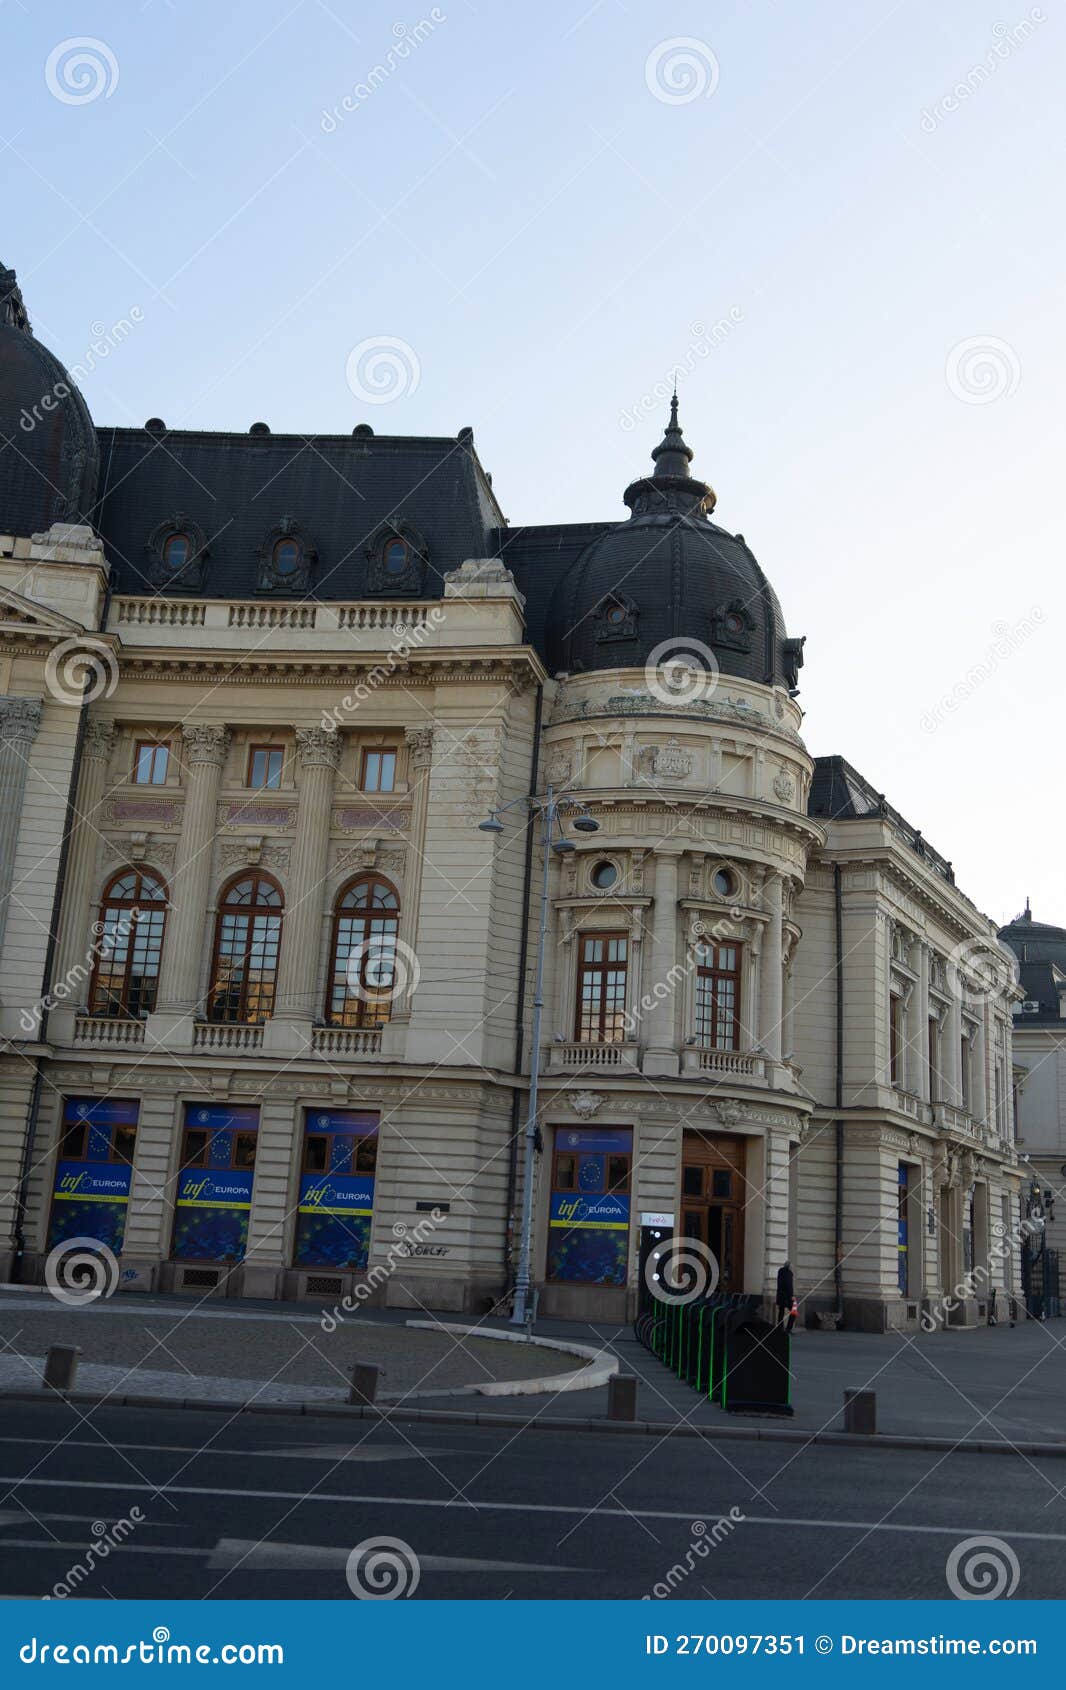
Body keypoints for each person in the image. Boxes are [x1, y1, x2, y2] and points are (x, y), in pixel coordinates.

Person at [776, 1260, 795, 1329]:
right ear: (789, 1266)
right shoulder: (789, 1273)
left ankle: (780, 1328)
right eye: (791, 1266)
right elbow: (789, 1285)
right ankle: (788, 1328)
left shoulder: (780, 1272)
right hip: (787, 1296)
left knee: (781, 1312)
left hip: (780, 1295)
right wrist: (792, 1295)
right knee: (793, 1312)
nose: (792, 1268)